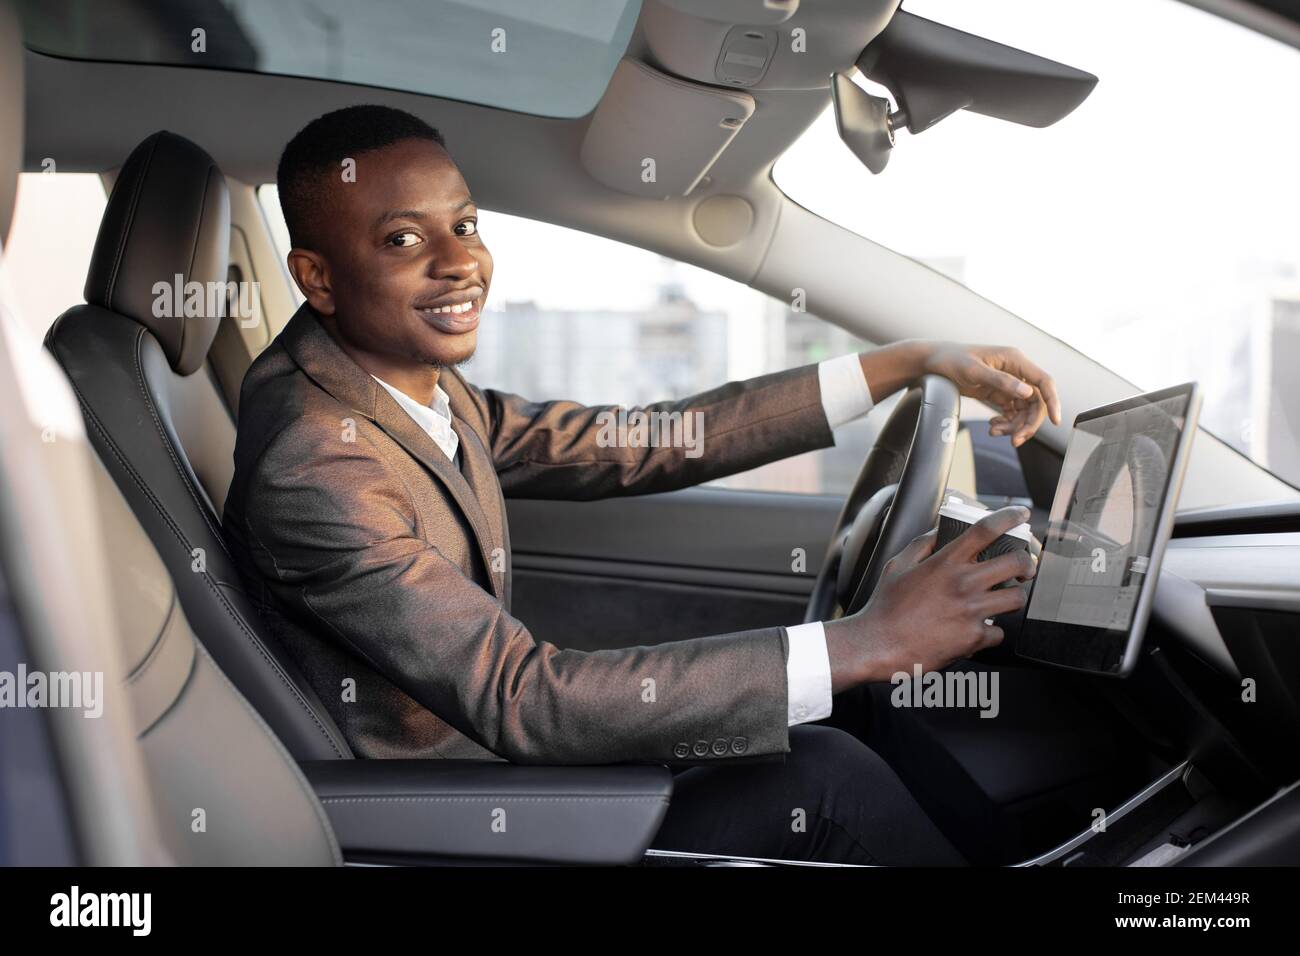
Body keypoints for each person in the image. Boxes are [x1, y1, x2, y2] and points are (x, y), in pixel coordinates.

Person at [223, 105, 1061, 864]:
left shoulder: (405, 389)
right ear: (319, 277)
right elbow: (523, 699)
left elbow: (648, 443)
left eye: (467, 225)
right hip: (466, 829)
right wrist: (866, 638)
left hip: (513, 778)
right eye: (404, 240)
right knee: (825, 772)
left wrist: (902, 363)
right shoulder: (319, 462)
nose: (460, 263)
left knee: (848, 706)